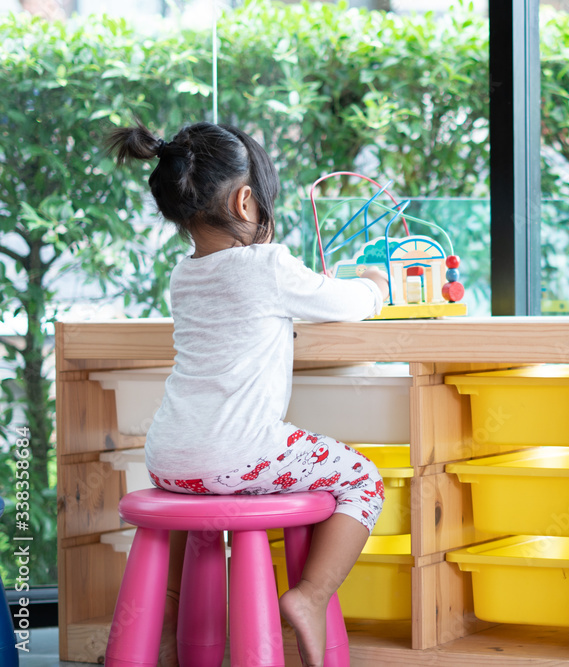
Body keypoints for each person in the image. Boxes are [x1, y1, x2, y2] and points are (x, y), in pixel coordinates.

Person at [108, 121, 390, 667]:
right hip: (236, 455)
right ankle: (310, 596)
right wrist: (374, 285)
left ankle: (185, 634)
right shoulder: (268, 266)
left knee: (226, 500)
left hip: (168, 459)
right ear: (245, 201)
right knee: (362, 478)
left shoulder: (182, 276)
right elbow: (345, 302)